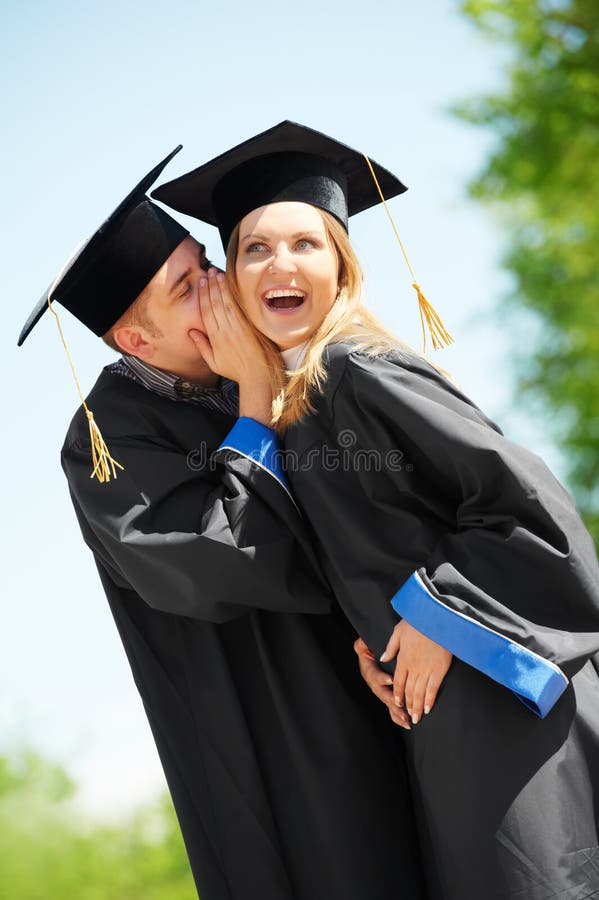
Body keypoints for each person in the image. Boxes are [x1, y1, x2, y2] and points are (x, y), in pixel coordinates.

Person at [154, 121, 599, 899]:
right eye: (254, 249)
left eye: (304, 244)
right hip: (444, 706)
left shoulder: (356, 369)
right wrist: (375, 635)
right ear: (229, 278)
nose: (279, 264)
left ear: (341, 266)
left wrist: (434, 613)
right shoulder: (295, 407)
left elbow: (533, 511)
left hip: (507, 697)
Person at [19, 147, 428, 900]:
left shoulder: (294, 362)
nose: (217, 286)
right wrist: (252, 402)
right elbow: (217, 562)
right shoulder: (107, 438)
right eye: (186, 287)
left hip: (398, 691)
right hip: (281, 748)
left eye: (205, 263)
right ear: (136, 341)